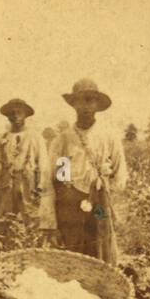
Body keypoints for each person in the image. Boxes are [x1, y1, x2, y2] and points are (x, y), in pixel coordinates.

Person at [49, 79, 129, 264]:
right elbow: (61, 179)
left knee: (101, 240)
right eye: (80, 101)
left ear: (97, 104)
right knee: (73, 248)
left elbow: (120, 174)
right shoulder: (64, 140)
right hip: (71, 204)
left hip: (100, 202)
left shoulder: (108, 137)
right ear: (73, 104)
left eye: (90, 100)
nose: (85, 106)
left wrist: (105, 189)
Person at [0, 98, 55, 235]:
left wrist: (40, 186)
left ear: (25, 115)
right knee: (5, 217)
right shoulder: (3, 138)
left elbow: (43, 163)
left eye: (19, 112)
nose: (15, 116)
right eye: (12, 113)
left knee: (31, 216)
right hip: (8, 183)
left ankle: (30, 249)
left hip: (28, 182)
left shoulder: (35, 137)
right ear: (8, 117)